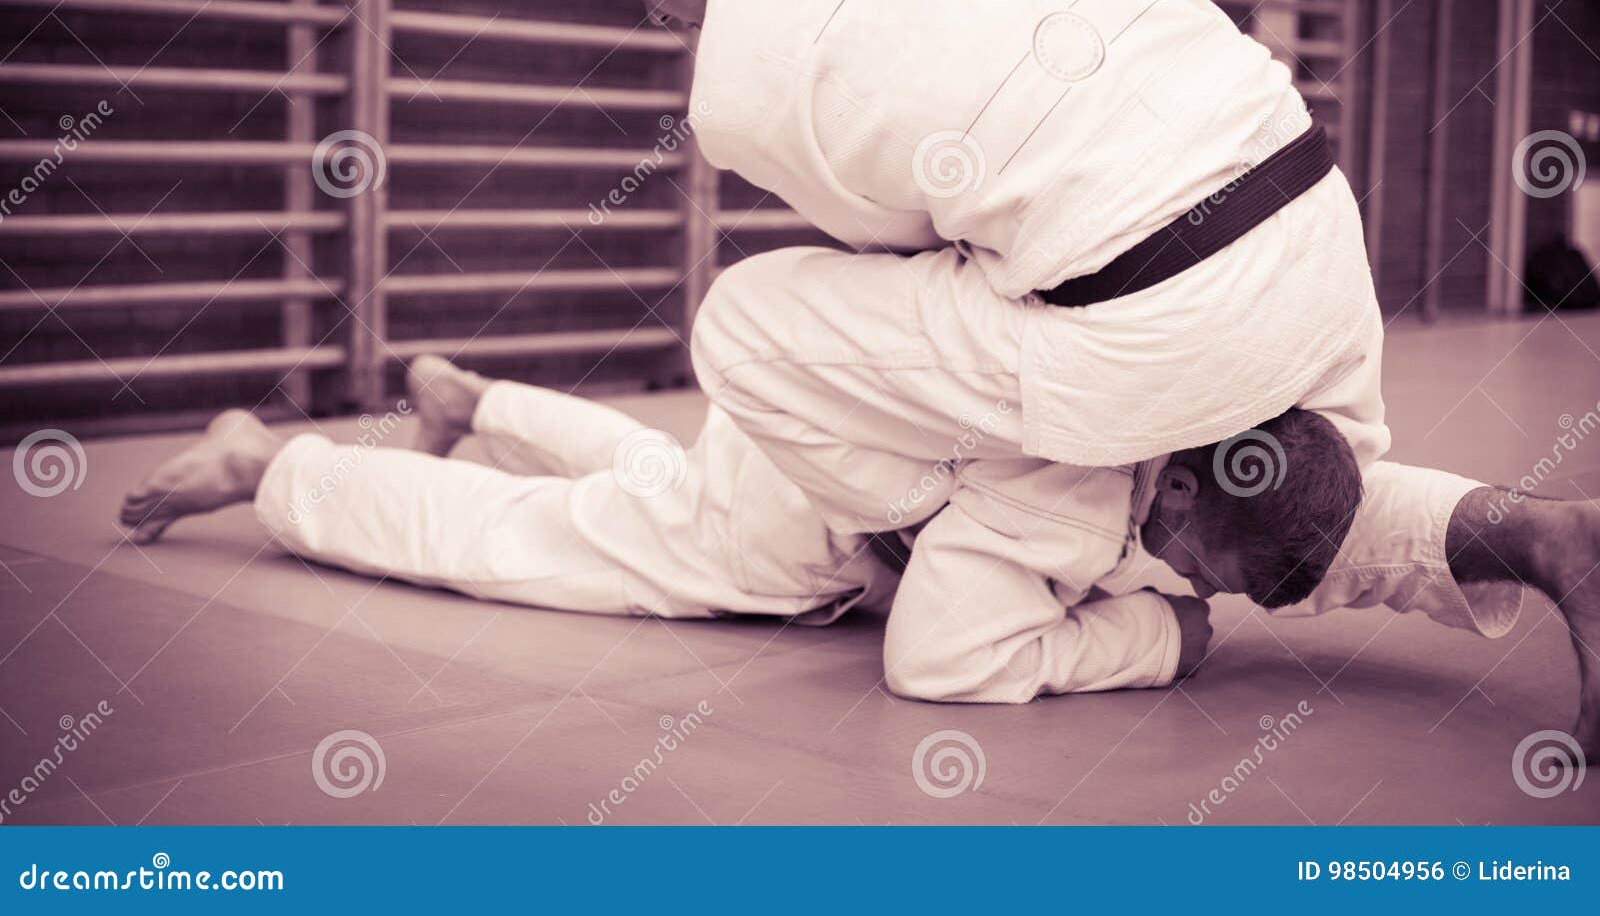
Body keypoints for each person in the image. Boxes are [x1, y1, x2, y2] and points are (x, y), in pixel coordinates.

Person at [546, 0, 1600, 753]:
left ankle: (928, 524)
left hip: (1142, 325)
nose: (653, 10)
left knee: (740, 323)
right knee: (1304, 498)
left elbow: (919, 253)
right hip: (1315, 231)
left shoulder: (734, 84)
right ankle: (1546, 537)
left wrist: (1002, 489)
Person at [122, 357, 1364, 701]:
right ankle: (275, 465)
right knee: (521, 539)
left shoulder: (1149, 409)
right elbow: (938, 661)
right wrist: (1151, 640)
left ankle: (473, 397)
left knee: (650, 472)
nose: (1202, 591)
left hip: (795, 453)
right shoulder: (1065, 504)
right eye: (1205, 570)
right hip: (771, 535)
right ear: (1187, 493)